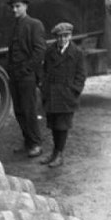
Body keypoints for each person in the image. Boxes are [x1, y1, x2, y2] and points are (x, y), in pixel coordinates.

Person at [5, 0, 46, 157]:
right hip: (14, 75)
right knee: (19, 111)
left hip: (26, 76)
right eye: (13, 7)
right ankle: (27, 142)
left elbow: (40, 51)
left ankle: (36, 144)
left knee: (29, 110)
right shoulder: (15, 26)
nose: (14, 10)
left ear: (25, 6)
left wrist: (27, 69)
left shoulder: (34, 24)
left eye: (18, 6)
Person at [40, 22, 86, 168]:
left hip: (66, 95)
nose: (62, 40)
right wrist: (44, 87)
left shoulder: (77, 53)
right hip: (52, 93)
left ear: (70, 36)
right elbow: (45, 70)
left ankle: (59, 154)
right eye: (59, 37)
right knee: (53, 124)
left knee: (62, 125)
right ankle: (54, 152)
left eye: (66, 36)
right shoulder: (50, 51)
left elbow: (81, 74)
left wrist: (74, 91)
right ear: (55, 38)